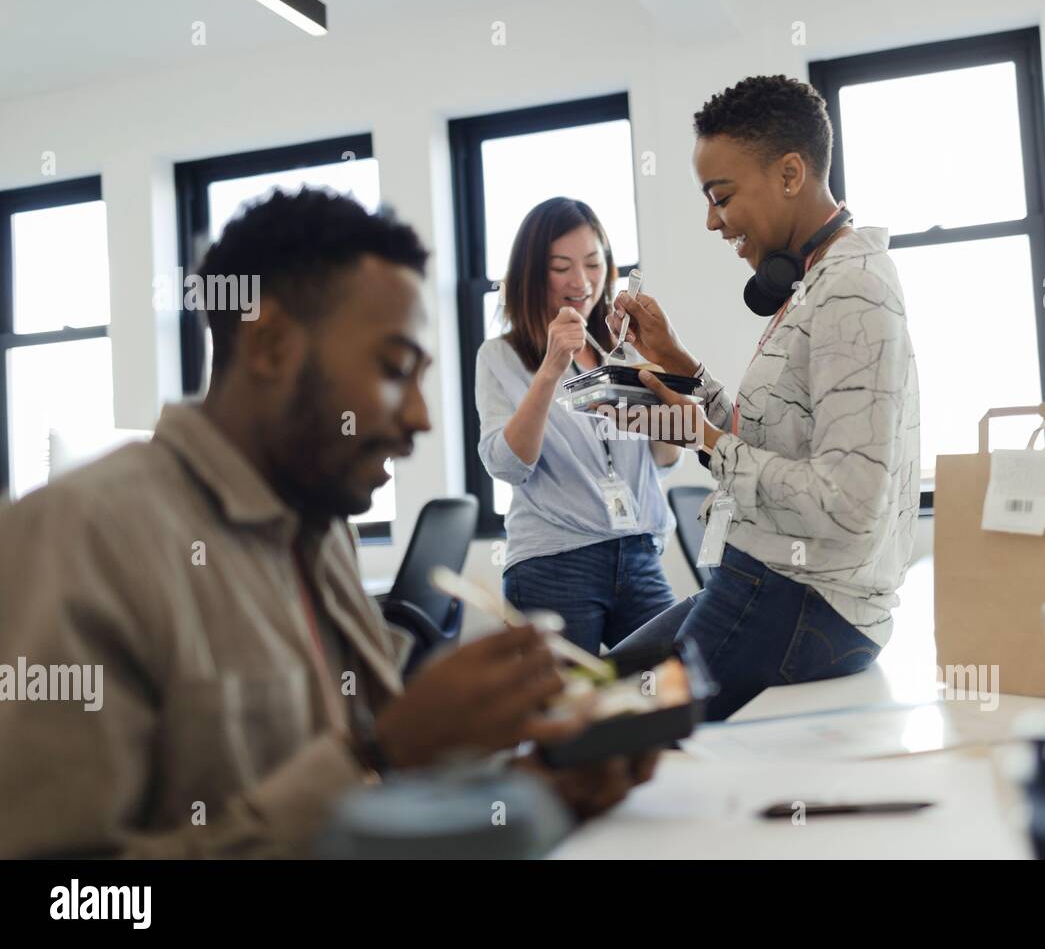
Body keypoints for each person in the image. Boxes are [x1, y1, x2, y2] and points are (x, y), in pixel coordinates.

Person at [0, 189, 655, 859]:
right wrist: (379, 752)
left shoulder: (319, 532)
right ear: (272, 346)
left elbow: (365, 809)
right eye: (395, 368)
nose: (421, 421)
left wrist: (537, 783)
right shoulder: (80, 537)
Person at [607, 75, 921, 720]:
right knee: (606, 683)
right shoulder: (813, 283)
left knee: (613, 723)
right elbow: (776, 436)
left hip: (803, 596)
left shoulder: (850, 291)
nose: (712, 220)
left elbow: (849, 503)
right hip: (771, 581)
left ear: (789, 174)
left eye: (721, 197)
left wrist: (705, 438)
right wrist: (680, 365)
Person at [476, 197, 680, 655]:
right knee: (566, 720)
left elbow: (665, 458)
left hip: (638, 550)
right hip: (555, 561)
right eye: (560, 266)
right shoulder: (501, 357)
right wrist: (550, 369)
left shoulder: (621, 346)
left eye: (593, 263)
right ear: (532, 274)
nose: (580, 281)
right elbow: (507, 465)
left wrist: (656, 370)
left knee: (677, 688)